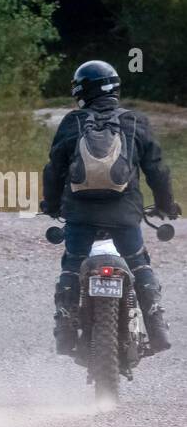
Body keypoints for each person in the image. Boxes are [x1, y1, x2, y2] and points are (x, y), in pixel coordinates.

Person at [42, 59, 179, 354]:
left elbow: (53, 170)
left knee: (72, 264)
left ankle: (66, 331)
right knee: (139, 263)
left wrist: (51, 205)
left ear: (81, 91)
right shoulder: (135, 121)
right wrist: (167, 205)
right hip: (125, 214)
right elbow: (157, 170)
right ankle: (156, 327)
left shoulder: (72, 122)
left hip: (80, 215)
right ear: (115, 88)